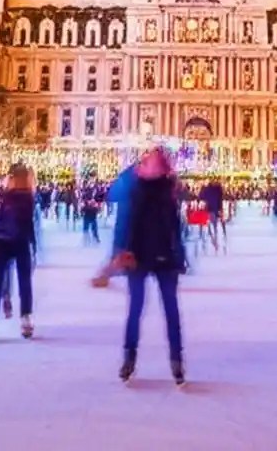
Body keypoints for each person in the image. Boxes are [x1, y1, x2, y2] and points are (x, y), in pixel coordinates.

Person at [115, 147, 187, 386]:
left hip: (164, 256)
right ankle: (129, 357)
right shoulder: (135, 189)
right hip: (138, 255)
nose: (145, 164)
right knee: (136, 309)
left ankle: (176, 360)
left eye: (150, 161)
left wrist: (179, 256)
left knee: (170, 310)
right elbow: (126, 222)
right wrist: (123, 251)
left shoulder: (168, 192)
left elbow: (175, 228)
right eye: (145, 161)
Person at [0, 165, 38, 341]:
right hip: (16, 241)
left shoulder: (3, 196)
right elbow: (28, 224)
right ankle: (25, 318)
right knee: (24, 282)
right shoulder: (26, 197)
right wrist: (33, 245)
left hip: (2, 242)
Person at [198, 179, 226, 251]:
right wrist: (220, 209)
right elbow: (220, 201)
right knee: (214, 224)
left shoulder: (206, 190)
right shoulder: (218, 191)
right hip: (215, 209)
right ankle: (216, 236)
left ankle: (212, 237)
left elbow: (200, 197)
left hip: (208, 209)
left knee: (209, 225)